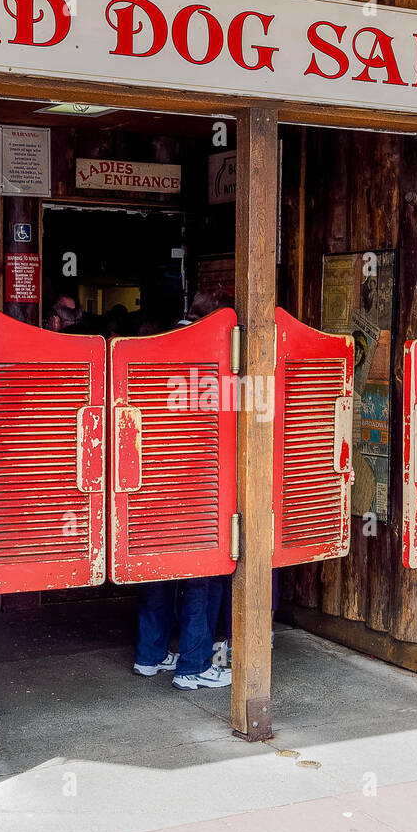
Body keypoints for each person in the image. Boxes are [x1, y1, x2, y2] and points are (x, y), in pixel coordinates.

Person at [132, 287, 233, 690]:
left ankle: (150, 655)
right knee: (201, 575)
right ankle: (194, 666)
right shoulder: (211, 349)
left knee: (156, 567)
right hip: (195, 479)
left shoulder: (152, 342)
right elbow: (225, 413)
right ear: (219, 318)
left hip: (150, 476)